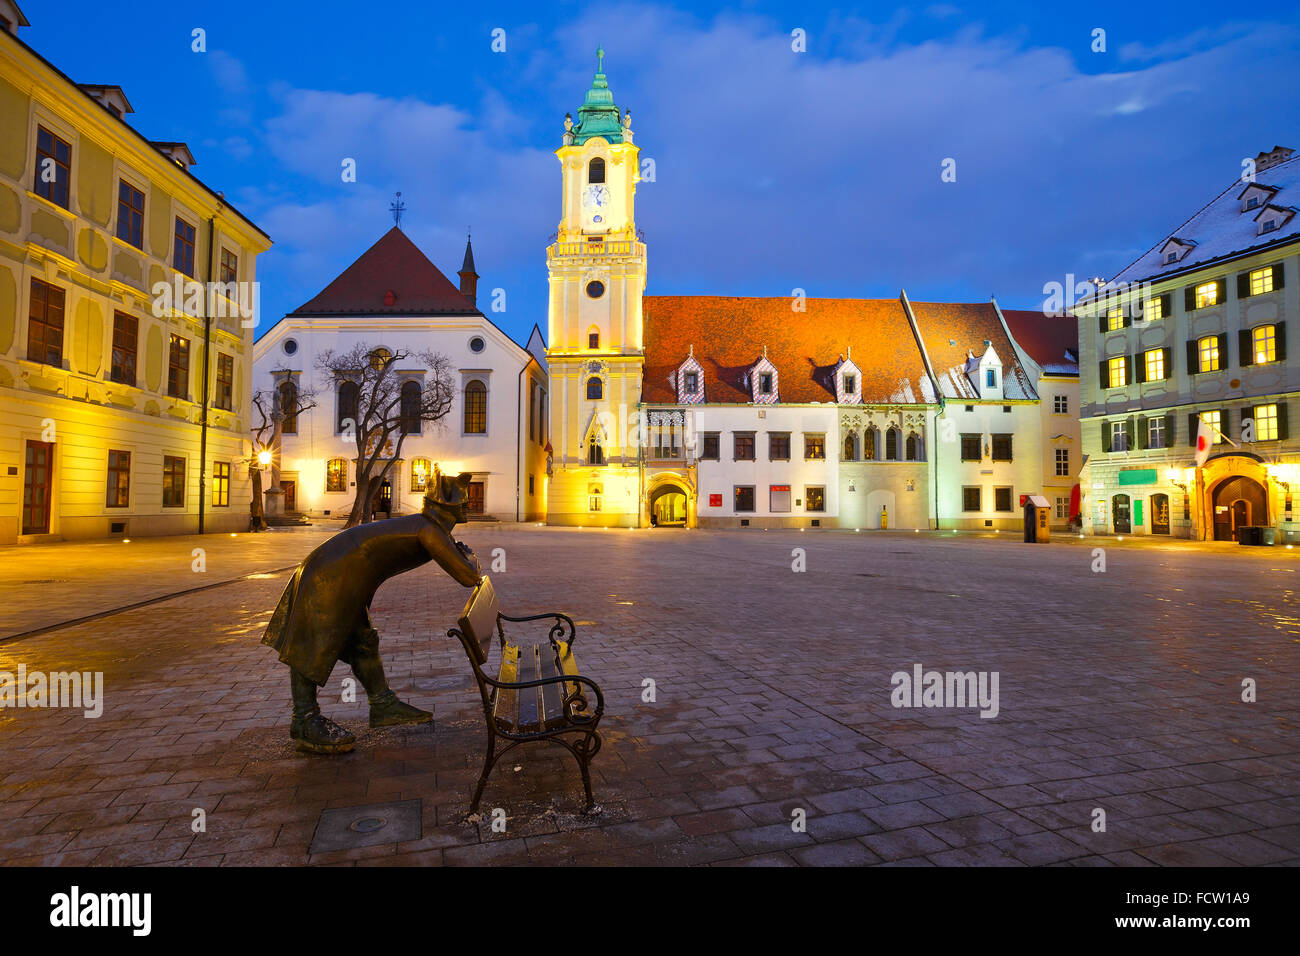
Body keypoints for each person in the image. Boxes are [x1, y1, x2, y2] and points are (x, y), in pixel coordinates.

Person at [262, 468, 482, 753]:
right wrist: (471, 558)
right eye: (463, 501)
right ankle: (304, 719)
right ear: (449, 505)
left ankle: (383, 704)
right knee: (315, 640)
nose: (468, 505)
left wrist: (464, 558)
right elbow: (468, 577)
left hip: (345, 570)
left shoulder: (429, 526)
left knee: (363, 641)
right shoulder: (429, 529)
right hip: (334, 571)